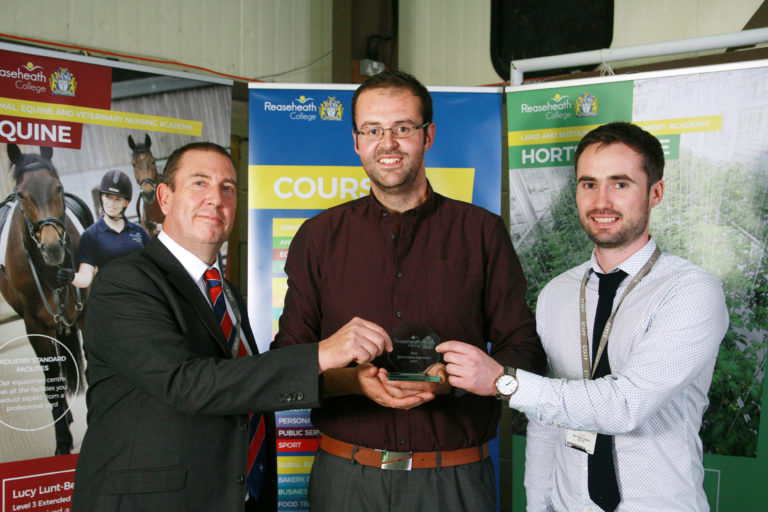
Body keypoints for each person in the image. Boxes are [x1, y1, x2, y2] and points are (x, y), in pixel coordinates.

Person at [271, 71, 546, 511]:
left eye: (402, 128)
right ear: (356, 141)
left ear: (428, 135)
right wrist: (355, 381)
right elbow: (287, 364)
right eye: (372, 130)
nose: (388, 143)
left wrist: (458, 381)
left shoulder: (481, 233)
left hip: (453, 482)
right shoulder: (318, 237)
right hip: (347, 482)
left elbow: (524, 350)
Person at [72, 142, 392, 512]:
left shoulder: (224, 292)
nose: (215, 199)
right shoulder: (125, 282)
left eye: (227, 188)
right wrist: (322, 353)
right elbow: (186, 384)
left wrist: (352, 381)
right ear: (164, 197)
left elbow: (241, 383)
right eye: (199, 183)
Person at [438, 122, 729, 511]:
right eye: (589, 184)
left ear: (655, 193)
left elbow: (626, 405)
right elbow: (544, 423)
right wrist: (538, 506)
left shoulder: (691, 290)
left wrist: (503, 382)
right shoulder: (556, 293)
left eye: (620, 184)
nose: (601, 201)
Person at [58, 169, 149, 289]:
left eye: (117, 199)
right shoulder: (91, 235)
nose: (111, 203)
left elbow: (152, 264)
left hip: (141, 291)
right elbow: (86, 277)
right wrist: (72, 277)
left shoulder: (138, 231)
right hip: (113, 295)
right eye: (108, 197)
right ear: (101, 197)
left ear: (126, 203)